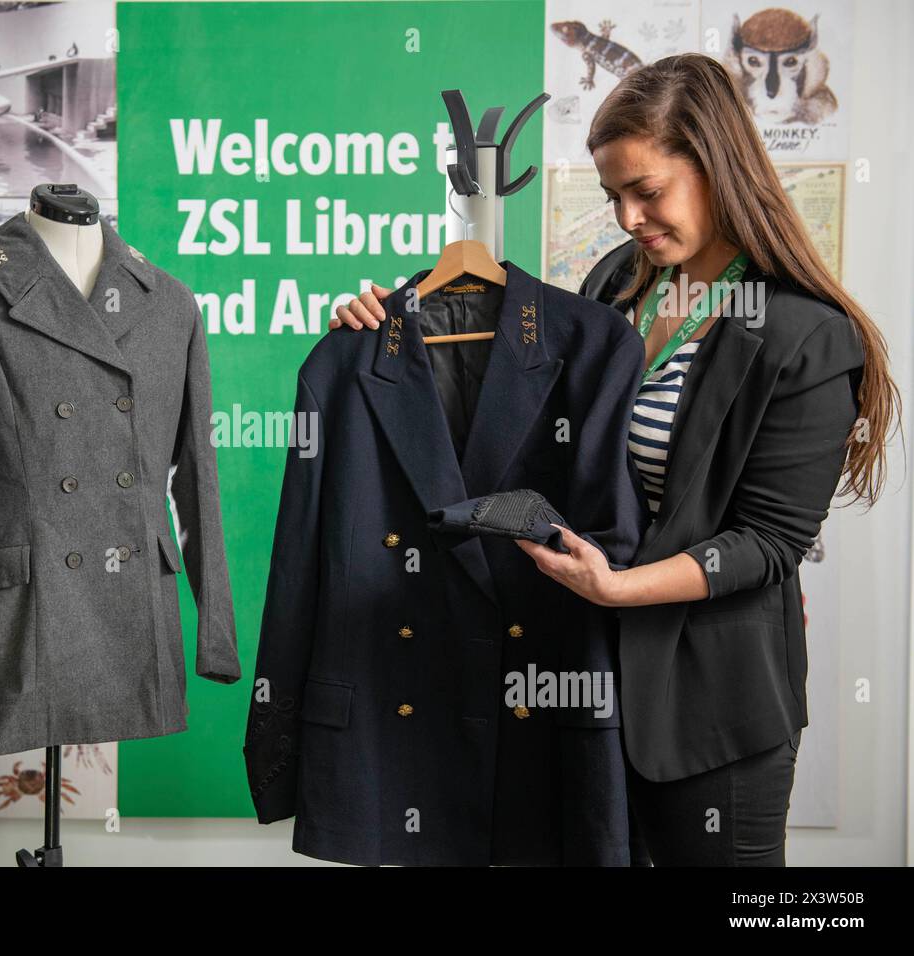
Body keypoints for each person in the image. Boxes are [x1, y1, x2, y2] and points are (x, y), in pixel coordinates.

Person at [330, 54, 900, 866]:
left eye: (648, 191)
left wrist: (620, 587)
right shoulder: (613, 288)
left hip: (711, 708)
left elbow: (768, 544)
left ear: (717, 168)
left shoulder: (805, 335)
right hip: (586, 683)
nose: (628, 216)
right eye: (613, 196)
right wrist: (387, 324)